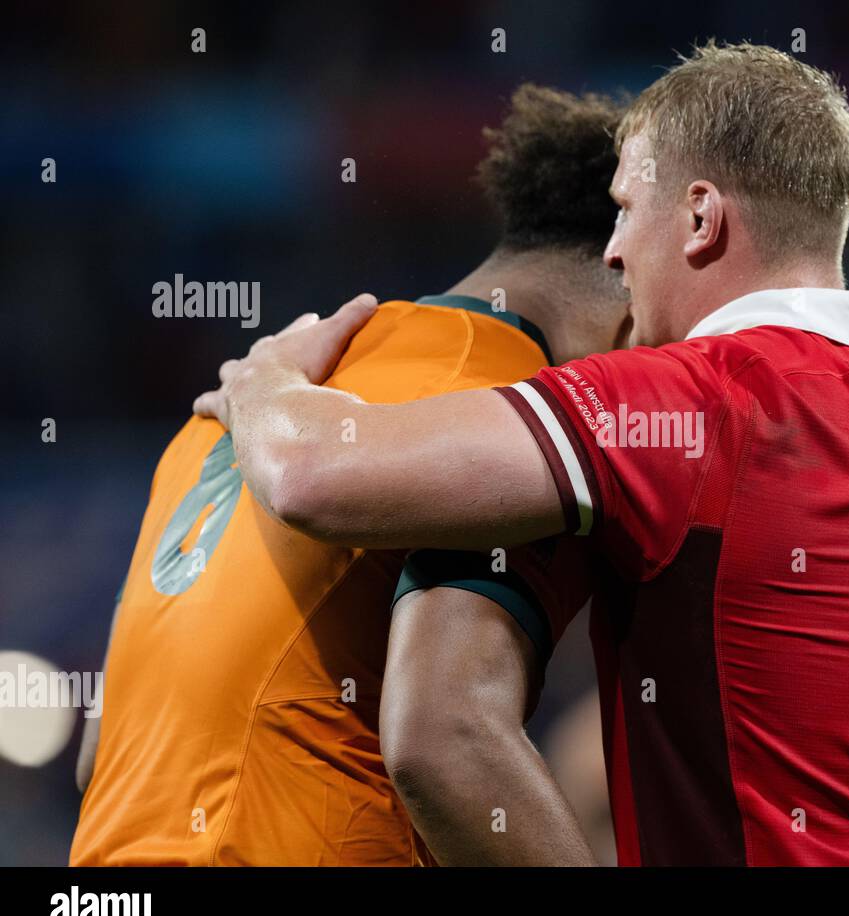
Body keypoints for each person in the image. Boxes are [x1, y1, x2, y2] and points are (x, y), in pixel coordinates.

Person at [195, 42, 849, 866]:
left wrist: (261, 381)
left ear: (700, 218)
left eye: (622, 208)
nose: (609, 252)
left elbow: (316, 473)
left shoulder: (687, 403)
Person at [70, 85, 628, 866]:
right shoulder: (516, 417)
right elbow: (447, 741)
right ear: (628, 276)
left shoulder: (242, 400)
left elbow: (98, 753)